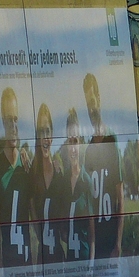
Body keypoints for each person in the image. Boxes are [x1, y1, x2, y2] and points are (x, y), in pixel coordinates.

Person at [0, 86, 33, 268]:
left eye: (15, 120)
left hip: (27, 261)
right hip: (8, 264)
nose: (13, 127)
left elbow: (37, 213)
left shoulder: (26, 164)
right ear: (2, 122)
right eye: (8, 120)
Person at [83, 72, 125, 262]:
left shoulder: (112, 140)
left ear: (99, 99)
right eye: (87, 105)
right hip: (95, 246)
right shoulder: (89, 149)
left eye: (92, 101)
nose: (91, 109)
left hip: (110, 246)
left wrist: (118, 243)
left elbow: (120, 199)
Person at [57, 108, 93, 263]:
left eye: (76, 142)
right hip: (69, 267)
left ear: (81, 144)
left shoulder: (87, 182)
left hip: (84, 265)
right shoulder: (63, 181)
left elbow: (92, 235)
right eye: (69, 142)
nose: (72, 149)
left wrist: (90, 270)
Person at [31, 103, 63, 261]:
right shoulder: (32, 172)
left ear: (52, 135)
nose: (44, 137)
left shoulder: (59, 173)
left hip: (60, 258)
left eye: (47, 131)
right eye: (40, 131)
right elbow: (32, 212)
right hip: (42, 258)